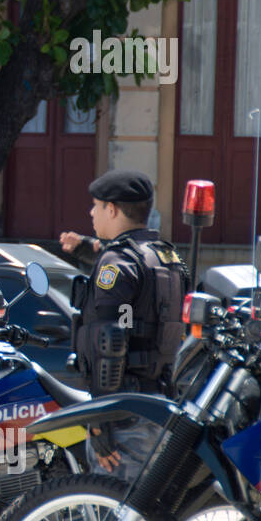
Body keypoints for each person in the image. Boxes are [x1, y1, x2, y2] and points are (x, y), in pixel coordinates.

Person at [62, 169, 187, 481]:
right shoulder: (167, 257)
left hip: (123, 417)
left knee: (118, 518)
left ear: (112, 209)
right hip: (160, 404)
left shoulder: (116, 263)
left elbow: (108, 342)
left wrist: (99, 422)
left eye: (96, 205)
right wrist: (83, 248)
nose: (91, 213)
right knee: (150, 515)